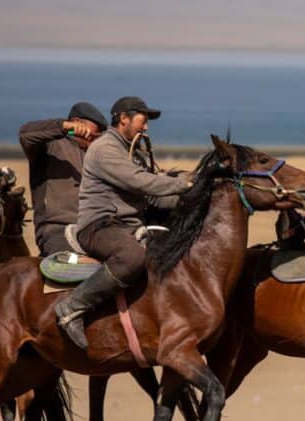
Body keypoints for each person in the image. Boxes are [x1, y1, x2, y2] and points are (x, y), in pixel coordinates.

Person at [56, 96, 193, 349]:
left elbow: (153, 197)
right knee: (132, 257)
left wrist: (192, 199)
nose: (146, 127)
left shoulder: (134, 154)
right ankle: (72, 308)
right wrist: (182, 184)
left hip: (128, 226)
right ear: (123, 118)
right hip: (100, 226)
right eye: (143, 120)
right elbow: (141, 182)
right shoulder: (105, 148)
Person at [18, 102, 108, 256]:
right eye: (92, 134)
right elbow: (25, 134)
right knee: (76, 268)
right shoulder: (49, 145)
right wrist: (65, 126)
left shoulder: (96, 154)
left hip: (94, 230)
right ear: (77, 123)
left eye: (98, 136)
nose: (94, 140)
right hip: (57, 229)